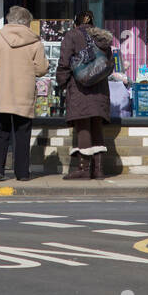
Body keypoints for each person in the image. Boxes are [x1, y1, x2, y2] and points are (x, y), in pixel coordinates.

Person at [0, 5, 48, 182]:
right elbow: (41, 69)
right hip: (23, 93)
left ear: (10, 20)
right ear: (26, 22)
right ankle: (23, 173)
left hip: (0, 92)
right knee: (22, 134)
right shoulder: (35, 42)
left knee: (0, 133)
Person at [57, 11, 114, 179]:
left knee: (83, 127)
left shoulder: (72, 35)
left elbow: (64, 62)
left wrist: (61, 82)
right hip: (100, 90)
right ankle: (98, 170)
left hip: (79, 89)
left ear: (76, 22)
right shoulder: (103, 39)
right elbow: (108, 64)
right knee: (96, 126)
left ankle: (83, 169)